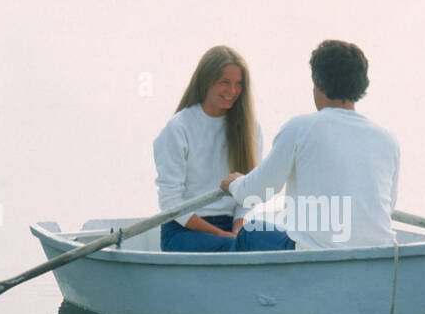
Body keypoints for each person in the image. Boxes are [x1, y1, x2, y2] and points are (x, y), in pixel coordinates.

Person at [221, 40, 400, 249]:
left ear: (319, 83)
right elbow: (388, 208)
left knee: (249, 233)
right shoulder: (387, 139)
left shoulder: (299, 128)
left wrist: (234, 183)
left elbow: (258, 191)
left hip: (314, 257)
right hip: (377, 258)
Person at [154, 46, 293, 252]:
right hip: (184, 231)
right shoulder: (178, 128)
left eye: (238, 84)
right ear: (206, 82)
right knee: (236, 249)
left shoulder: (250, 128)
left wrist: (238, 229)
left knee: (287, 242)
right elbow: (170, 203)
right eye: (225, 83)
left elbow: (249, 193)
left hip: (235, 226)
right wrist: (224, 235)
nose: (232, 91)